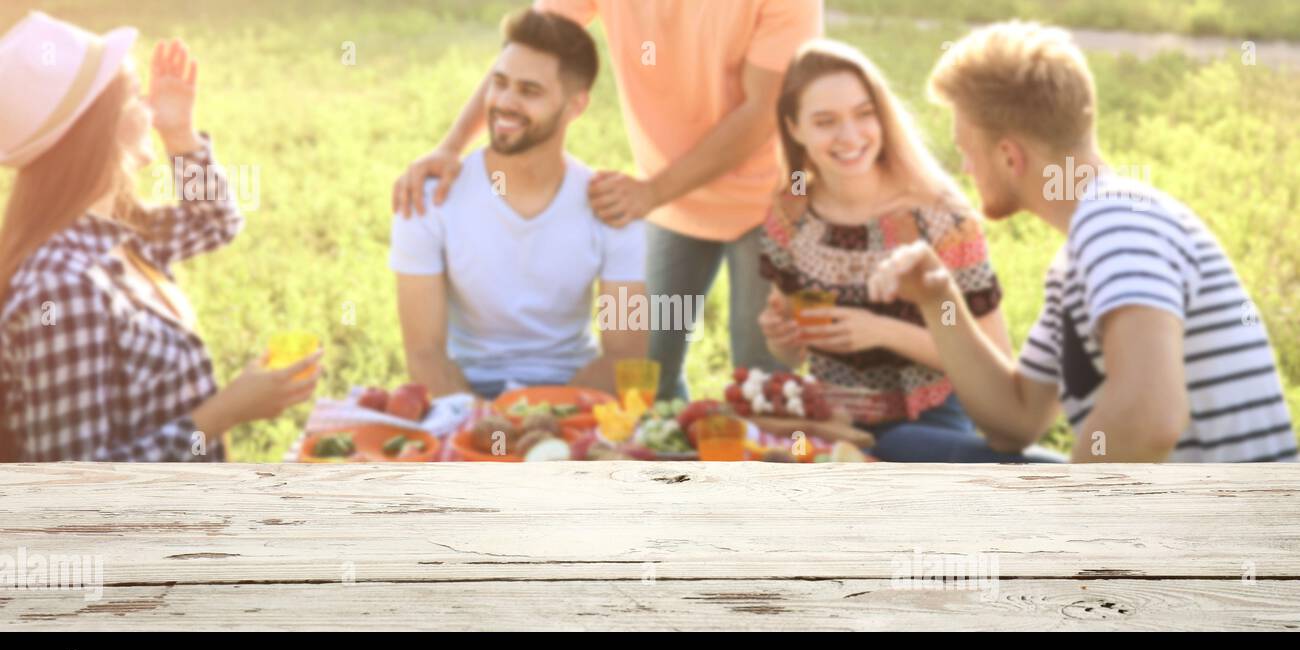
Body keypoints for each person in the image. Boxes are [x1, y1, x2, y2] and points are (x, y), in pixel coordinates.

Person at [868, 21, 1297, 462]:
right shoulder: (1078, 259)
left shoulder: (1117, 220)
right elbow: (1016, 420)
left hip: (1230, 522)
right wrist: (936, 297)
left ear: (1009, 156)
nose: (965, 169)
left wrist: (1066, 519)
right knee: (904, 446)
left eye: (966, 150)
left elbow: (1150, 418)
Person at [393, 0, 824, 400]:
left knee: (763, 377)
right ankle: (669, 470)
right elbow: (529, 50)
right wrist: (451, 147)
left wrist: (652, 191)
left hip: (769, 202)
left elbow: (763, 111)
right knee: (647, 372)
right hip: (669, 201)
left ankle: (769, 478)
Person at [0, 12, 319, 462]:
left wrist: (179, 134)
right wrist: (223, 412)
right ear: (97, 127)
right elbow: (76, 495)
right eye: (134, 96)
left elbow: (215, 222)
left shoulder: (112, 235)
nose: (149, 107)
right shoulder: (63, 287)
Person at [755, 39, 1060, 463]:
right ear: (794, 129)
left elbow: (996, 362)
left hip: (927, 424)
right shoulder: (791, 211)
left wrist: (882, 331)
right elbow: (792, 351)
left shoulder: (939, 215)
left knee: (1023, 470)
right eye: (825, 121)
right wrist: (782, 339)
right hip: (830, 425)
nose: (850, 136)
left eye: (864, 114)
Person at [390, 9, 647, 401]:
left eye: (529, 91)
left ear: (575, 107)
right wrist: (485, 425)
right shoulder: (427, 199)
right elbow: (424, 356)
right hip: (462, 393)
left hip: (572, 393)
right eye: (499, 83)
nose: (505, 103)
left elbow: (624, 357)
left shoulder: (613, 210)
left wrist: (540, 425)